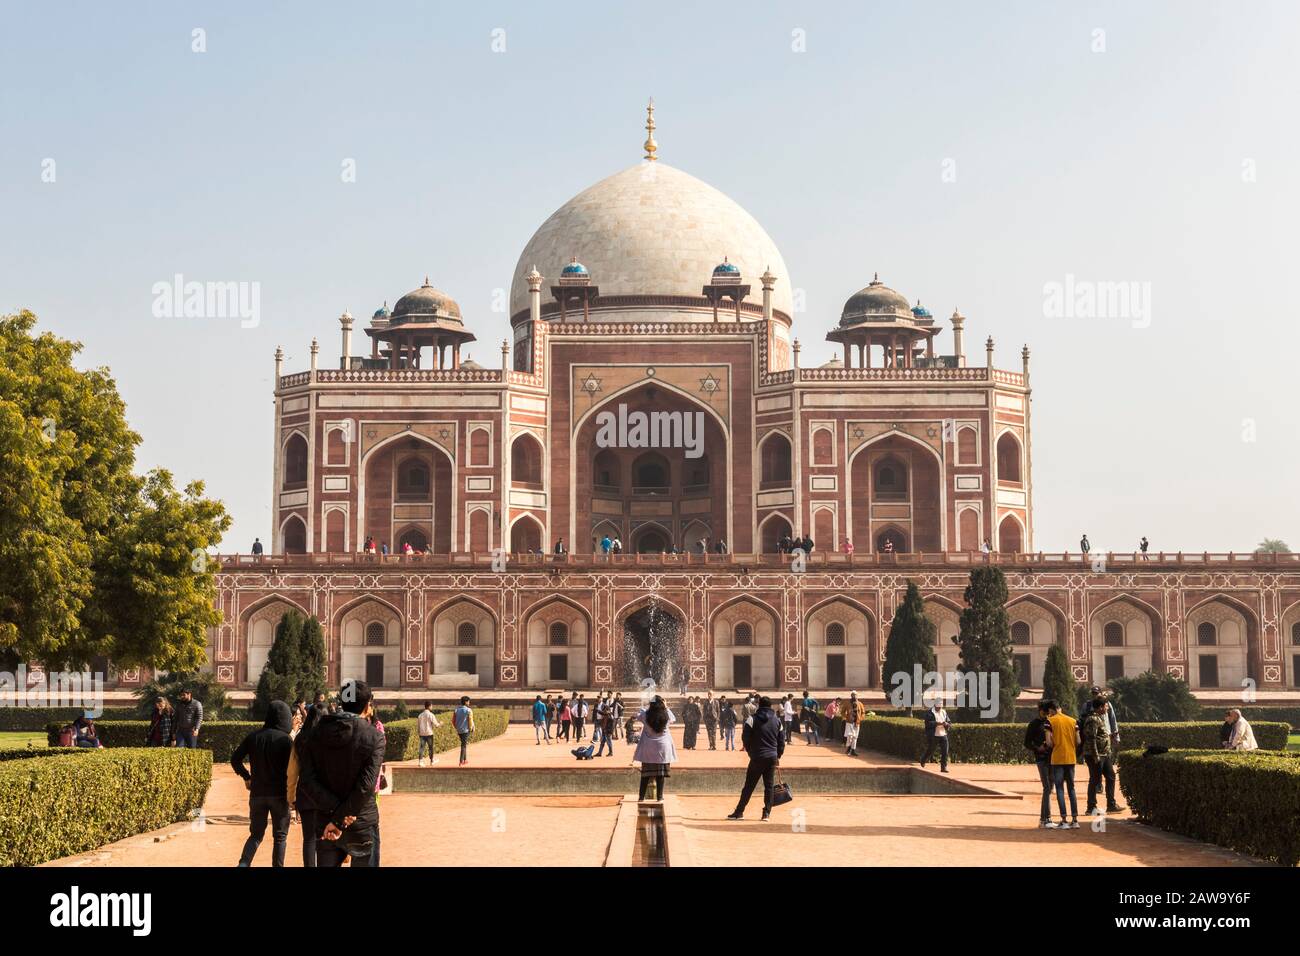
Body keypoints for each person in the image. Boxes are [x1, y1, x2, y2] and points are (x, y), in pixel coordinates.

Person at [295, 681, 386, 868]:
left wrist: (335, 817)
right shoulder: (373, 736)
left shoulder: (316, 732)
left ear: (342, 702)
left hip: (326, 822)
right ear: (368, 705)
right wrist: (342, 818)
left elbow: (307, 781)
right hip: (360, 820)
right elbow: (366, 786)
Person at [232, 700, 294, 867]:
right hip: (280, 794)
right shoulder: (286, 740)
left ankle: (243, 864)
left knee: (256, 835)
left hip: (257, 793)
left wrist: (246, 776)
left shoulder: (254, 737)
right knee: (280, 837)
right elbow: (294, 768)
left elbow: (235, 759)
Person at [727, 696, 786, 821]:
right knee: (769, 786)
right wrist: (777, 755)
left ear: (759, 705)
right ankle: (766, 814)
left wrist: (751, 752)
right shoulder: (777, 721)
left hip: (757, 757)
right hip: (771, 757)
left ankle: (739, 812)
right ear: (771, 706)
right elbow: (781, 741)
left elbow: (745, 738)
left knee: (749, 786)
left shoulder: (751, 719)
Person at [289, 702, 328, 866]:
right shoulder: (330, 738)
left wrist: (290, 796)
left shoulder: (300, 738)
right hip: (326, 795)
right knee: (325, 838)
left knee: (309, 839)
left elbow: (292, 771)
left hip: (305, 793)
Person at [1081, 697, 1123, 815]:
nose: (1107, 708)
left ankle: (1111, 804)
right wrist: (1095, 755)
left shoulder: (1099, 718)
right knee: (1094, 780)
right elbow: (1091, 738)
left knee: (1110, 776)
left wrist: (1110, 736)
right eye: (1106, 706)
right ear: (1100, 707)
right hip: (1096, 755)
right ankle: (1091, 807)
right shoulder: (1093, 719)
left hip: (1104, 753)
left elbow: (1099, 736)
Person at [633, 697, 677, 801]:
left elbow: (637, 716)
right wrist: (666, 707)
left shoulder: (646, 715)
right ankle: (660, 797)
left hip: (648, 748)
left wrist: (644, 707)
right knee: (660, 775)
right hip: (662, 748)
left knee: (645, 775)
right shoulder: (666, 715)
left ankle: (641, 797)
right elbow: (673, 719)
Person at [1047, 700, 1080, 829]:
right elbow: (1078, 740)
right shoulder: (1073, 721)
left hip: (1057, 758)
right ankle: (1075, 820)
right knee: (1071, 788)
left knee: (1060, 788)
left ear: (1051, 710)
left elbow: (1049, 742)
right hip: (1070, 758)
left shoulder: (1050, 721)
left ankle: (1064, 820)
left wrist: (1055, 744)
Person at [1024, 700, 1057, 828]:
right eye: (1046, 711)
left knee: (1050, 788)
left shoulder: (1051, 722)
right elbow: (1027, 742)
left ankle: (1044, 819)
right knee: (1047, 788)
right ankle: (1045, 819)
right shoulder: (1033, 724)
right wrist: (1038, 748)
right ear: (1041, 711)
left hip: (1052, 758)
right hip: (1041, 759)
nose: (1048, 714)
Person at [920, 698, 951, 772]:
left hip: (943, 734)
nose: (939, 707)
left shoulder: (944, 712)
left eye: (941, 705)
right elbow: (927, 723)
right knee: (931, 750)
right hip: (934, 735)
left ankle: (943, 768)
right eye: (938, 706)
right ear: (935, 705)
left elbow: (949, 722)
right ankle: (923, 759)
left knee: (945, 751)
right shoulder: (930, 712)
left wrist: (947, 724)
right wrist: (937, 723)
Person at [841, 691, 865, 756]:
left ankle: (853, 750)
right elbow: (842, 711)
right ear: (851, 696)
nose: (854, 696)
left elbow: (863, 712)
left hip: (857, 722)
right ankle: (848, 748)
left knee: (855, 737)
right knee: (849, 736)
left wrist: (860, 718)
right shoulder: (847, 703)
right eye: (853, 695)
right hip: (849, 722)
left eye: (855, 695)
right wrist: (846, 717)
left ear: (857, 696)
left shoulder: (860, 704)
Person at [453, 696, 475, 765]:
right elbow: (470, 720)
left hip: (459, 730)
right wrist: (471, 728)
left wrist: (456, 727)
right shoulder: (469, 710)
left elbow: (453, 720)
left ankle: (465, 760)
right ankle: (461, 761)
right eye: (468, 701)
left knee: (464, 743)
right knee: (463, 745)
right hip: (466, 730)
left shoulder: (456, 710)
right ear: (466, 702)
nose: (469, 703)